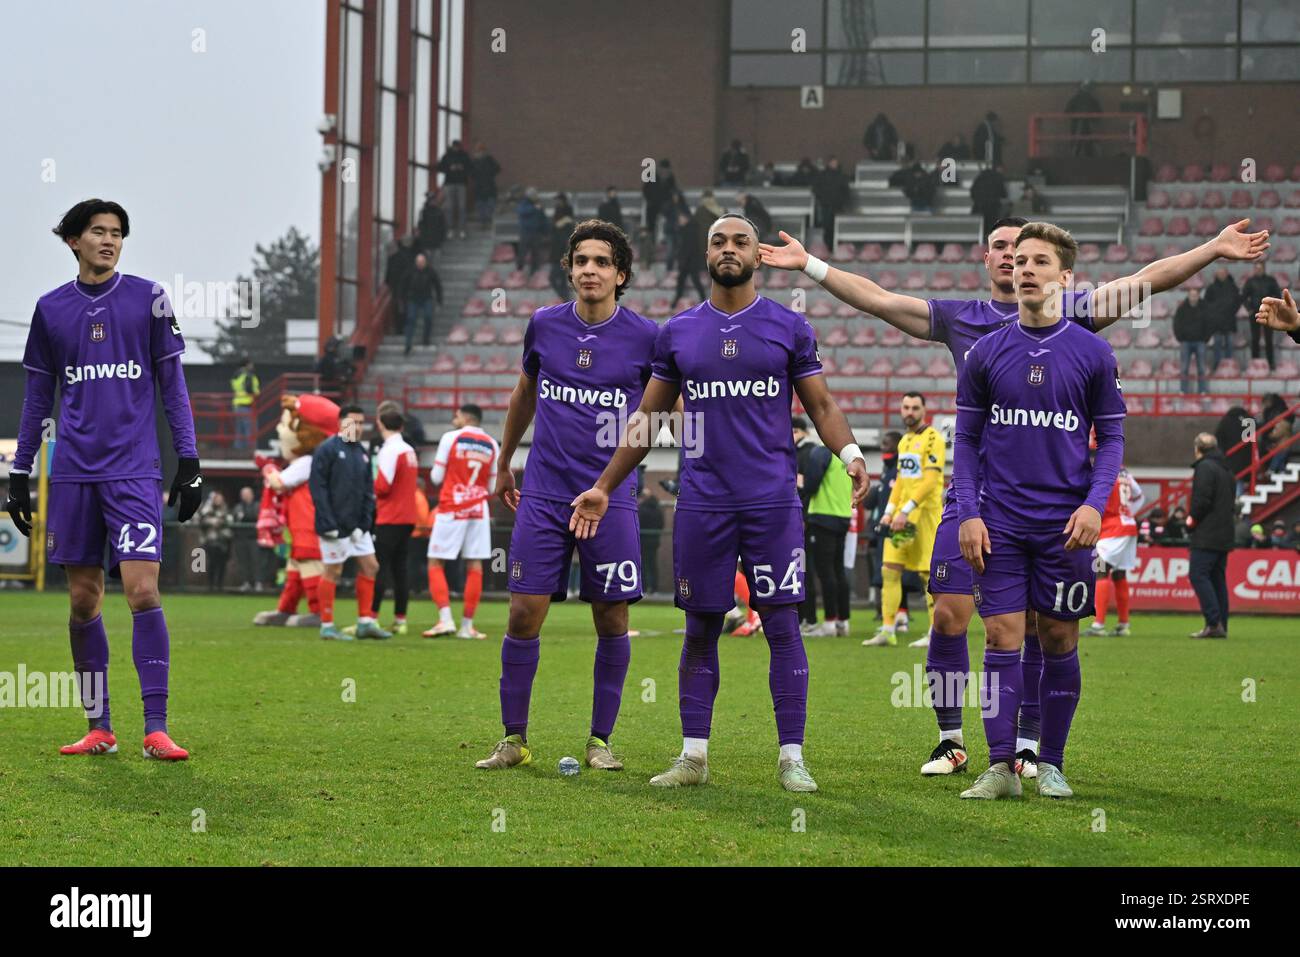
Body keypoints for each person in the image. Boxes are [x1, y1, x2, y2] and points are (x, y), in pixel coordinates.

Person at [760, 213, 1267, 779]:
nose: (1013, 259)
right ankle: (951, 740)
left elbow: (1148, 280)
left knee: (1031, 628)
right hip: (973, 499)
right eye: (1004, 249)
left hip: (1047, 504)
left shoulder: (1073, 317)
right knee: (949, 615)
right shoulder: (963, 321)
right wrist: (811, 265)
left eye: (1025, 253)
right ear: (988, 258)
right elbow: (879, 300)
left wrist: (1212, 249)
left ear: (1054, 268)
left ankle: (1026, 748)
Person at [569, 212, 869, 793]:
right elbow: (648, 419)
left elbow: (822, 406)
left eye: (740, 242)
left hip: (772, 503)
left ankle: (791, 758)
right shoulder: (678, 332)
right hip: (703, 505)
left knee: (782, 626)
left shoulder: (789, 327)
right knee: (701, 629)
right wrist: (605, 485)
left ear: (759, 256)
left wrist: (851, 453)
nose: (729, 249)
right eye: (717, 241)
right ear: (705, 255)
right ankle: (693, 757)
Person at [5, 198, 201, 760]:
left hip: (135, 472)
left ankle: (156, 728)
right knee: (84, 600)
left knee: (142, 590)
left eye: (117, 233)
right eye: (98, 232)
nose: (109, 241)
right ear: (73, 241)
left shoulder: (149, 299)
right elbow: (38, 397)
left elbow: (174, 385)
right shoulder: (50, 309)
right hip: (72, 475)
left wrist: (188, 461)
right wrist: (21, 472)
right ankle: (100, 727)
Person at [954, 221, 1127, 801]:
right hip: (998, 522)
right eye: (1020, 260)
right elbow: (965, 441)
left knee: (1057, 640)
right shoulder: (984, 353)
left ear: (1065, 277)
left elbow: (1113, 441)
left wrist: (1092, 505)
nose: (1026, 268)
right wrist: (968, 513)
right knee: (1002, 638)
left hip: (1064, 530)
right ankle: (1001, 766)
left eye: (1040, 262)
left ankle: (1049, 761)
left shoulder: (1093, 353)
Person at [480, 219, 657, 772]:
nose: (589, 270)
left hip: (612, 498)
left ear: (620, 274)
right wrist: (505, 460)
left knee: (611, 619)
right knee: (522, 614)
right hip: (544, 494)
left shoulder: (647, 337)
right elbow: (525, 393)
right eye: (581, 260)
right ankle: (514, 739)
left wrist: (611, 483)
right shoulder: (543, 326)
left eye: (602, 262)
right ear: (570, 268)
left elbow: (654, 419)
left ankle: (600, 742)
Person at [864, 392, 945, 649]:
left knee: (927, 575)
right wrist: (889, 510)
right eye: (906, 407)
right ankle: (888, 630)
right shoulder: (904, 442)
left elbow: (930, 481)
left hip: (924, 516)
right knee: (889, 569)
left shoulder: (934, 438)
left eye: (914, 407)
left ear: (924, 410)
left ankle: (936, 633)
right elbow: (900, 481)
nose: (909, 412)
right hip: (900, 517)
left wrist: (906, 510)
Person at [311, 405, 390, 641]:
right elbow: (318, 488)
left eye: (360, 423)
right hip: (334, 526)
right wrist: (328, 522)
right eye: (352, 422)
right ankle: (326, 625)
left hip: (357, 527)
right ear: (339, 423)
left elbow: (368, 490)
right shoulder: (326, 450)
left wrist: (364, 523)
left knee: (371, 566)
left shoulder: (361, 452)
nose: (356, 427)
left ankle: (365, 622)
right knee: (333, 570)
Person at [424, 403, 498, 640]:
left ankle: (445, 620)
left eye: (456, 416)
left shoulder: (450, 438)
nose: (454, 419)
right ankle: (467, 626)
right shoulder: (492, 444)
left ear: (465, 417)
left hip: (452, 507)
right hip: (478, 509)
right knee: (474, 565)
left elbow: (435, 477)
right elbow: (491, 487)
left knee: (436, 562)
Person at [801, 420, 855, 638]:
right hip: (843, 515)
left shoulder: (821, 452)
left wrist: (799, 481)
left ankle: (830, 622)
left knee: (825, 572)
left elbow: (811, 485)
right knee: (838, 571)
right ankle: (843, 621)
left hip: (822, 515)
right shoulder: (848, 455)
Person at [371, 401, 420, 635]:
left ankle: (371, 617)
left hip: (390, 516)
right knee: (401, 570)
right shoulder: (409, 450)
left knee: (378, 568)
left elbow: (383, 486)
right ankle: (401, 619)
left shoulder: (389, 449)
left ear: (381, 423)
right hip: (408, 516)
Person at [1185, 433, 1234, 639]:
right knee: (1217, 578)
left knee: (1198, 574)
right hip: (1224, 533)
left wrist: (1191, 520)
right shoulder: (1226, 469)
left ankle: (1213, 623)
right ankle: (1221, 623)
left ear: (1198, 448)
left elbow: (1201, 500)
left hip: (1207, 533)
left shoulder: (1205, 467)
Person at [1087, 467, 1144, 636]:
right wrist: (1127, 514)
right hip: (1128, 526)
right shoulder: (1125, 472)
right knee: (1119, 574)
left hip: (1112, 529)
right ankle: (1123, 624)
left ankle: (1098, 625)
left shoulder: (1101, 470)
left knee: (1101, 572)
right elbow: (1139, 495)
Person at [1242, 262, 1282, 370]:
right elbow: (1243, 297)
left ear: (1264, 268)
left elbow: (1278, 296)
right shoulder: (1250, 282)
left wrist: (1273, 309)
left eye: (1260, 268)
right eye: (1257, 268)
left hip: (1268, 314)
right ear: (1254, 269)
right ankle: (1255, 364)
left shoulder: (1271, 281)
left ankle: (1271, 364)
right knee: (1255, 339)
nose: (1258, 270)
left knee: (1269, 339)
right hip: (1254, 314)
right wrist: (1249, 309)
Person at [402, 253, 443, 356]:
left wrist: (439, 300)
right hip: (413, 299)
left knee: (428, 317)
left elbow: (437, 285)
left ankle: (426, 338)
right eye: (419, 262)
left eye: (422, 262)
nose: (420, 264)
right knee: (411, 319)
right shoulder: (410, 271)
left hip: (426, 298)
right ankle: (408, 343)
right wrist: (402, 299)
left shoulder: (430, 271)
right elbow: (403, 285)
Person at [1174, 288, 1211, 393]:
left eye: (1195, 295)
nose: (1193, 297)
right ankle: (1183, 390)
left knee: (1202, 368)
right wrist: (1180, 337)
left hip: (1200, 341)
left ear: (1198, 296)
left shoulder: (1204, 308)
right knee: (1184, 368)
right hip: (1186, 341)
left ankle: (1202, 390)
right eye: (1192, 295)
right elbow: (1177, 324)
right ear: (1188, 296)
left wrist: (1206, 338)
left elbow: (1209, 323)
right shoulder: (1182, 309)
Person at [1204, 267, 1242, 370]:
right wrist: (1213, 313)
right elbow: (1206, 303)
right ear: (1216, 275)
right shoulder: (1211, 288)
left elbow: (1238, 301)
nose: (1221, 275)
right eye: (1219, 273)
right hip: (1216, 322)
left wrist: (1232, 311)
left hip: (1229, 320)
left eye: (1223, 273)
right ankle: (1217, 364)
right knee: (1217, 344)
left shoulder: (1233, 287)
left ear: (1226, 274)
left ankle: (1229, 365)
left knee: (1229, 343)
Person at [813, 156, 851, 249]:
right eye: (833, 162)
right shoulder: (823, 175)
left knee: (835, 226)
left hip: (837, 206)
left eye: (835, 162)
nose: (834, 164)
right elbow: (816, 188)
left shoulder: (841, 176)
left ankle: (834, 246)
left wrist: (842, 201)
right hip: (826, 205)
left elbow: (845, 190)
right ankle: (828, 246)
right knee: (827, 226)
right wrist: (822, 198)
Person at [198, 490, 233, 592]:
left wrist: (220, 521)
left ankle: (219, 585)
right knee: (212, 563)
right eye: (216, 498)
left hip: (224, 540)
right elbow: (201, 520)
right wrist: (212, 522)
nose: (218, 500)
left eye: (220, 499)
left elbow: (230, 520)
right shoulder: (207, 509)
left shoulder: (226, 509)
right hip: (211, 540)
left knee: (222, 563)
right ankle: (211, 585)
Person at [436, 138, 471, 238]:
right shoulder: (448, 156)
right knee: (449, 207)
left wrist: (462, 168)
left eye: (457, 146)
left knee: (461, 207)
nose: (456, 148)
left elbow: (470, 167)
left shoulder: (463, 156)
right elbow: (440, 167)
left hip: (459, 183)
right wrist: (450, 168)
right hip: (451, 183)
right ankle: (451, 229)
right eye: (455, 146)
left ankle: (461, 229)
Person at [232, 485, 261, 591]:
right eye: (243, 494)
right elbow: (235, 520)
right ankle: (246, 582)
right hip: (241, 538)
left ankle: (258, 582)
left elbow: (258, 517)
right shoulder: (238, 507)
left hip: (254, 538)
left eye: (247, 494)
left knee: (256, 561)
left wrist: (247, 517)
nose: (245, 496)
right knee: (243, 562)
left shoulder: (258, 506)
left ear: (252, 495)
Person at [641, 157, 676, 243]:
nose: (664, 171)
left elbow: (672, 191)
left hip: (665, 207)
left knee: (666, 227)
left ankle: (662, 244)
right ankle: (652, 245)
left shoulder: (670, 178)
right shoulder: (653, 176)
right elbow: (646, 190)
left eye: (666, 169)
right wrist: (650, 200)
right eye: (663, 169)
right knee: (651, 228)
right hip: (653, 206)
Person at [516, 188, 549, 275]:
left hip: (536, 233)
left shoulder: (538, 204)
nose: (535, 197)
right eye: (533, 195)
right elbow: (521, 211)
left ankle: (534, 271)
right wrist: (534, 208)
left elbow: (543, 218)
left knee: (536, 252)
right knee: (522, 252)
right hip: (526, 232)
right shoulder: (524, 203)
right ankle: (519, 270)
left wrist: (546, 231)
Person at [549, 200, 577, 302]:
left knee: (557, 279)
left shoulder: (568, 227)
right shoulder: (555, 227)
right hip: (557, 257)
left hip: (562, 257)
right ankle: (565, 299)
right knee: (557, 280)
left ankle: (566, 299)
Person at [638, 485, 664, 595]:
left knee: (643, 564)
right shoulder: (658, 509)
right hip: (654, 540)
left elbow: (639, 523)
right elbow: (661, 524)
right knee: (653, 564)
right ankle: (654, 588)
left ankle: (643, 588)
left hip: (643, 540)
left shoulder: (641, 509)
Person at [1064, 81, 1101, 157]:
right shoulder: (1092, 99)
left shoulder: (1076, 98)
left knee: (1077, 144)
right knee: (1087, 144)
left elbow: (1067, 111)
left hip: (1079, 125)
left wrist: (1075, 116)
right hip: (1087, 125)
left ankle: (1074, 159)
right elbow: (1099, 112)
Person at [969, 164, 1008, 237]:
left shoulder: (980, 177)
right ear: (999, 168)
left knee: (979, 229)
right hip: (992, 207)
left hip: (978, 206)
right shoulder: (998, 177)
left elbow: (972, 191)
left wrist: (978, 201)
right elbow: (1004, 194)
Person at [230, 356, 259, 451]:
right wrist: (256, 393)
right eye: (251, 364)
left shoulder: (235, 374)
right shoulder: (248, 375)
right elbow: (249, 389)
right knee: (249, 428)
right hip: (247, 404)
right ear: (247, 364)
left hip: (237, 404)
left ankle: (238, 448)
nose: (252, 366)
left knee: (239, 428)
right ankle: (250, 449)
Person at [469, 142, 501, 227]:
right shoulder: (484, 159)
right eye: (480, 150)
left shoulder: (486, 159)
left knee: (486, 205)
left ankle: (486, 221)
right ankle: (484, 222)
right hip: (483, 185)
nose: (481, 152)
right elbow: (471, 173)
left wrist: (489, 174)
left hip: (485, 185)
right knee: (482, 205)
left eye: (482, 150)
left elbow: (497, 168)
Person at [416, 190, 448, 264]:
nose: (432, 202)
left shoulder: (439, 212)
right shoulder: (424, 212)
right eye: (431, 200)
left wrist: (442, 238)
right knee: (428, 262)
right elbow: (420, 226)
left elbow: (443, 226)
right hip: (428, 243)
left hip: (436, 242)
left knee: (435, 262)